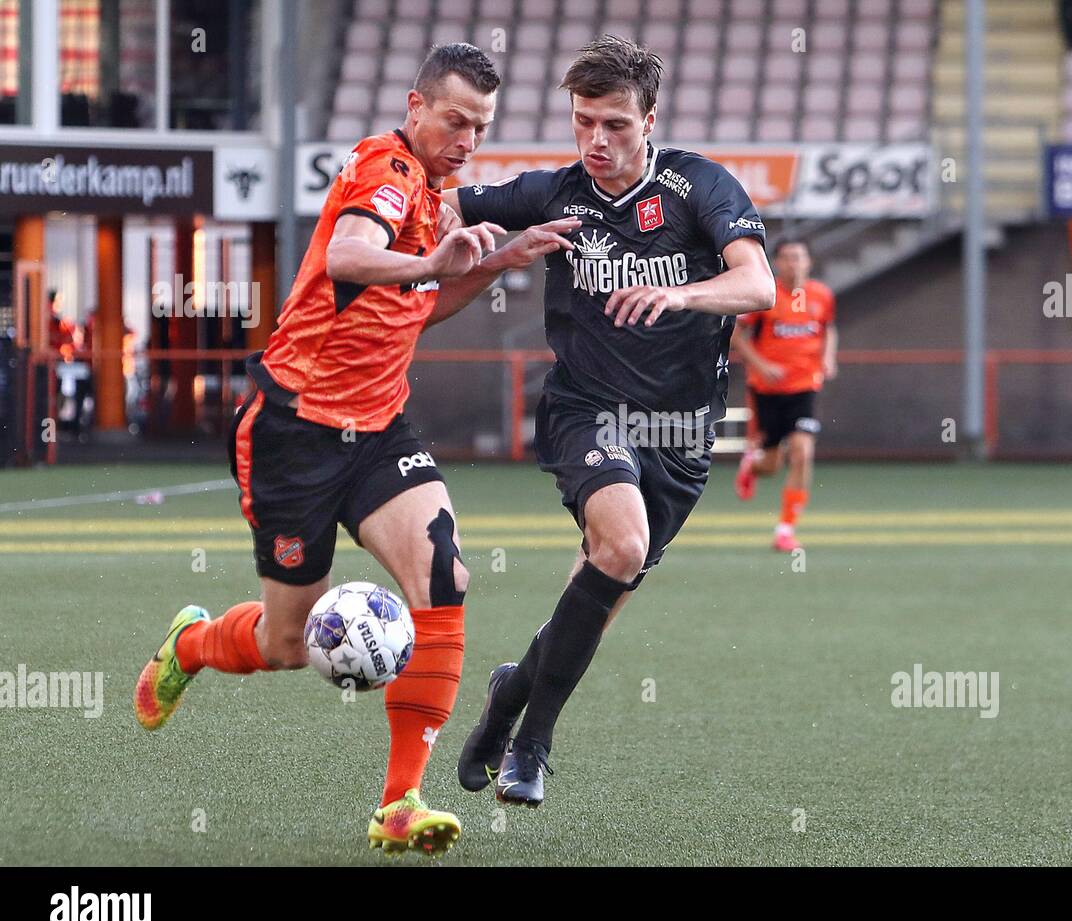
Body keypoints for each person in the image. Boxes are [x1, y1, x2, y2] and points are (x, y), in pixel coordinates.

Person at [132, 43, 578, 857]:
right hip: (293, 431)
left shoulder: (439, 197)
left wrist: (499, 260)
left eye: (481, 126)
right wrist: (430, 258)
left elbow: (417, 305)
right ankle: (193, 641)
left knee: (443, 578)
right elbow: (345, 254)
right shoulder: (388, 167)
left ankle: (400, 804)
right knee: (284, 644)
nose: (467, 139)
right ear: (414, 108)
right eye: (454, 120)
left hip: (378, 429)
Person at [440, 35, 776, 807]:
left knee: (603, 585)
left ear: (649, 119)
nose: (597, 139)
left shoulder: (699, 188)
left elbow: (756, 285)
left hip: (681, 438)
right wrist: (455, 249)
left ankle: (508, 696)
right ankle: (532, 744)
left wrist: (683, 293)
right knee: (621, 544)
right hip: (588, 411)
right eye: (584, 121)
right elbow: (439, 201)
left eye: (615, 124)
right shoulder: (555, 193)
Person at [730, 239, 837, 552]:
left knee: (803, 452)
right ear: (777, 263)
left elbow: (828, 327)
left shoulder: (822, 295)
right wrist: (762, 366)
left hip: (805, 386)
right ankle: (753, 465)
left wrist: (829, 357)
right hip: (767, 390)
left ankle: (786, 529)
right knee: (772, 465)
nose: (794, 263)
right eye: (788, 258)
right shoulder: (766, 295)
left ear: (809, 262)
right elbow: (737, 335)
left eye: (800, 257)